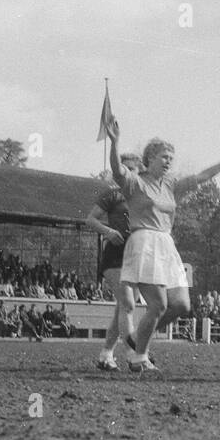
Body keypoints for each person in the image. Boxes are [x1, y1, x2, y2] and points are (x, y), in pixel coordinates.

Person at [108, 117, 220, 373]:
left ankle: (136, 339)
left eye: (171, 156)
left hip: (166, 244)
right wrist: (115, 142)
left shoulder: (171, 185)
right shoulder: (136, 182)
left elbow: (204, 176)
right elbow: (117, 170)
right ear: (149, 158)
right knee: (158, 305)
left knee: (182, 304)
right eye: (164, 156)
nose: (169, 160)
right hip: (144, 241)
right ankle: (140, 356)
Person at [85, 152, 144, 372]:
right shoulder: (113, 196)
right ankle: (134, 354)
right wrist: (108, 231)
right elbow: (90, 219)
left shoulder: (145, 197)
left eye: (132, 169)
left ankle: (106, 355)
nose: (127, 172)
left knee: (123, 308)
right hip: (115, 255)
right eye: (124, 168)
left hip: (136, 256)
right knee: (128, 304)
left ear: (139, 172)